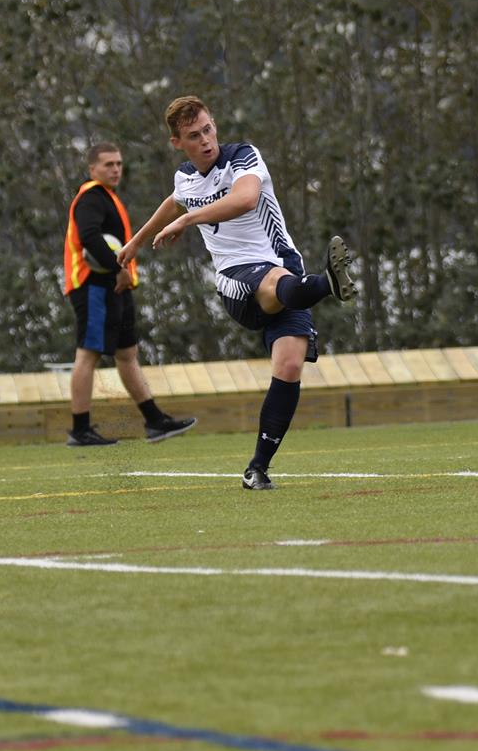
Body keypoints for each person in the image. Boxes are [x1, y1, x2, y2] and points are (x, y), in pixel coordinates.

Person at [118, 97, 355, 490]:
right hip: (236, 280)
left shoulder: (243, 157)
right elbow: (173, 202)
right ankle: (326, 283)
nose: (207, 140)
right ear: (177, 143)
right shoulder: (186, 178)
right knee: (271, 282)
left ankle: (256, 469)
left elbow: (246, 198)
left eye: (208, 129)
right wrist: (135, 244)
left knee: (290, 367)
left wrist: (189, 219)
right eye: (194, 136)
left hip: (284, 270)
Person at [62, 142, 197, 446]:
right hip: (95, 286)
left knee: (126, 353)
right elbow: (89, 239)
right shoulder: (91, 197)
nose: (115, 169)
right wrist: (117, 269)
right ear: (92, 169)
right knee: (88, 353)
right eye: (108, 164)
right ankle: (80, 429)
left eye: (119, 164)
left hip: (115, 288)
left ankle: (154, 421)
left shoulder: (109, 197)